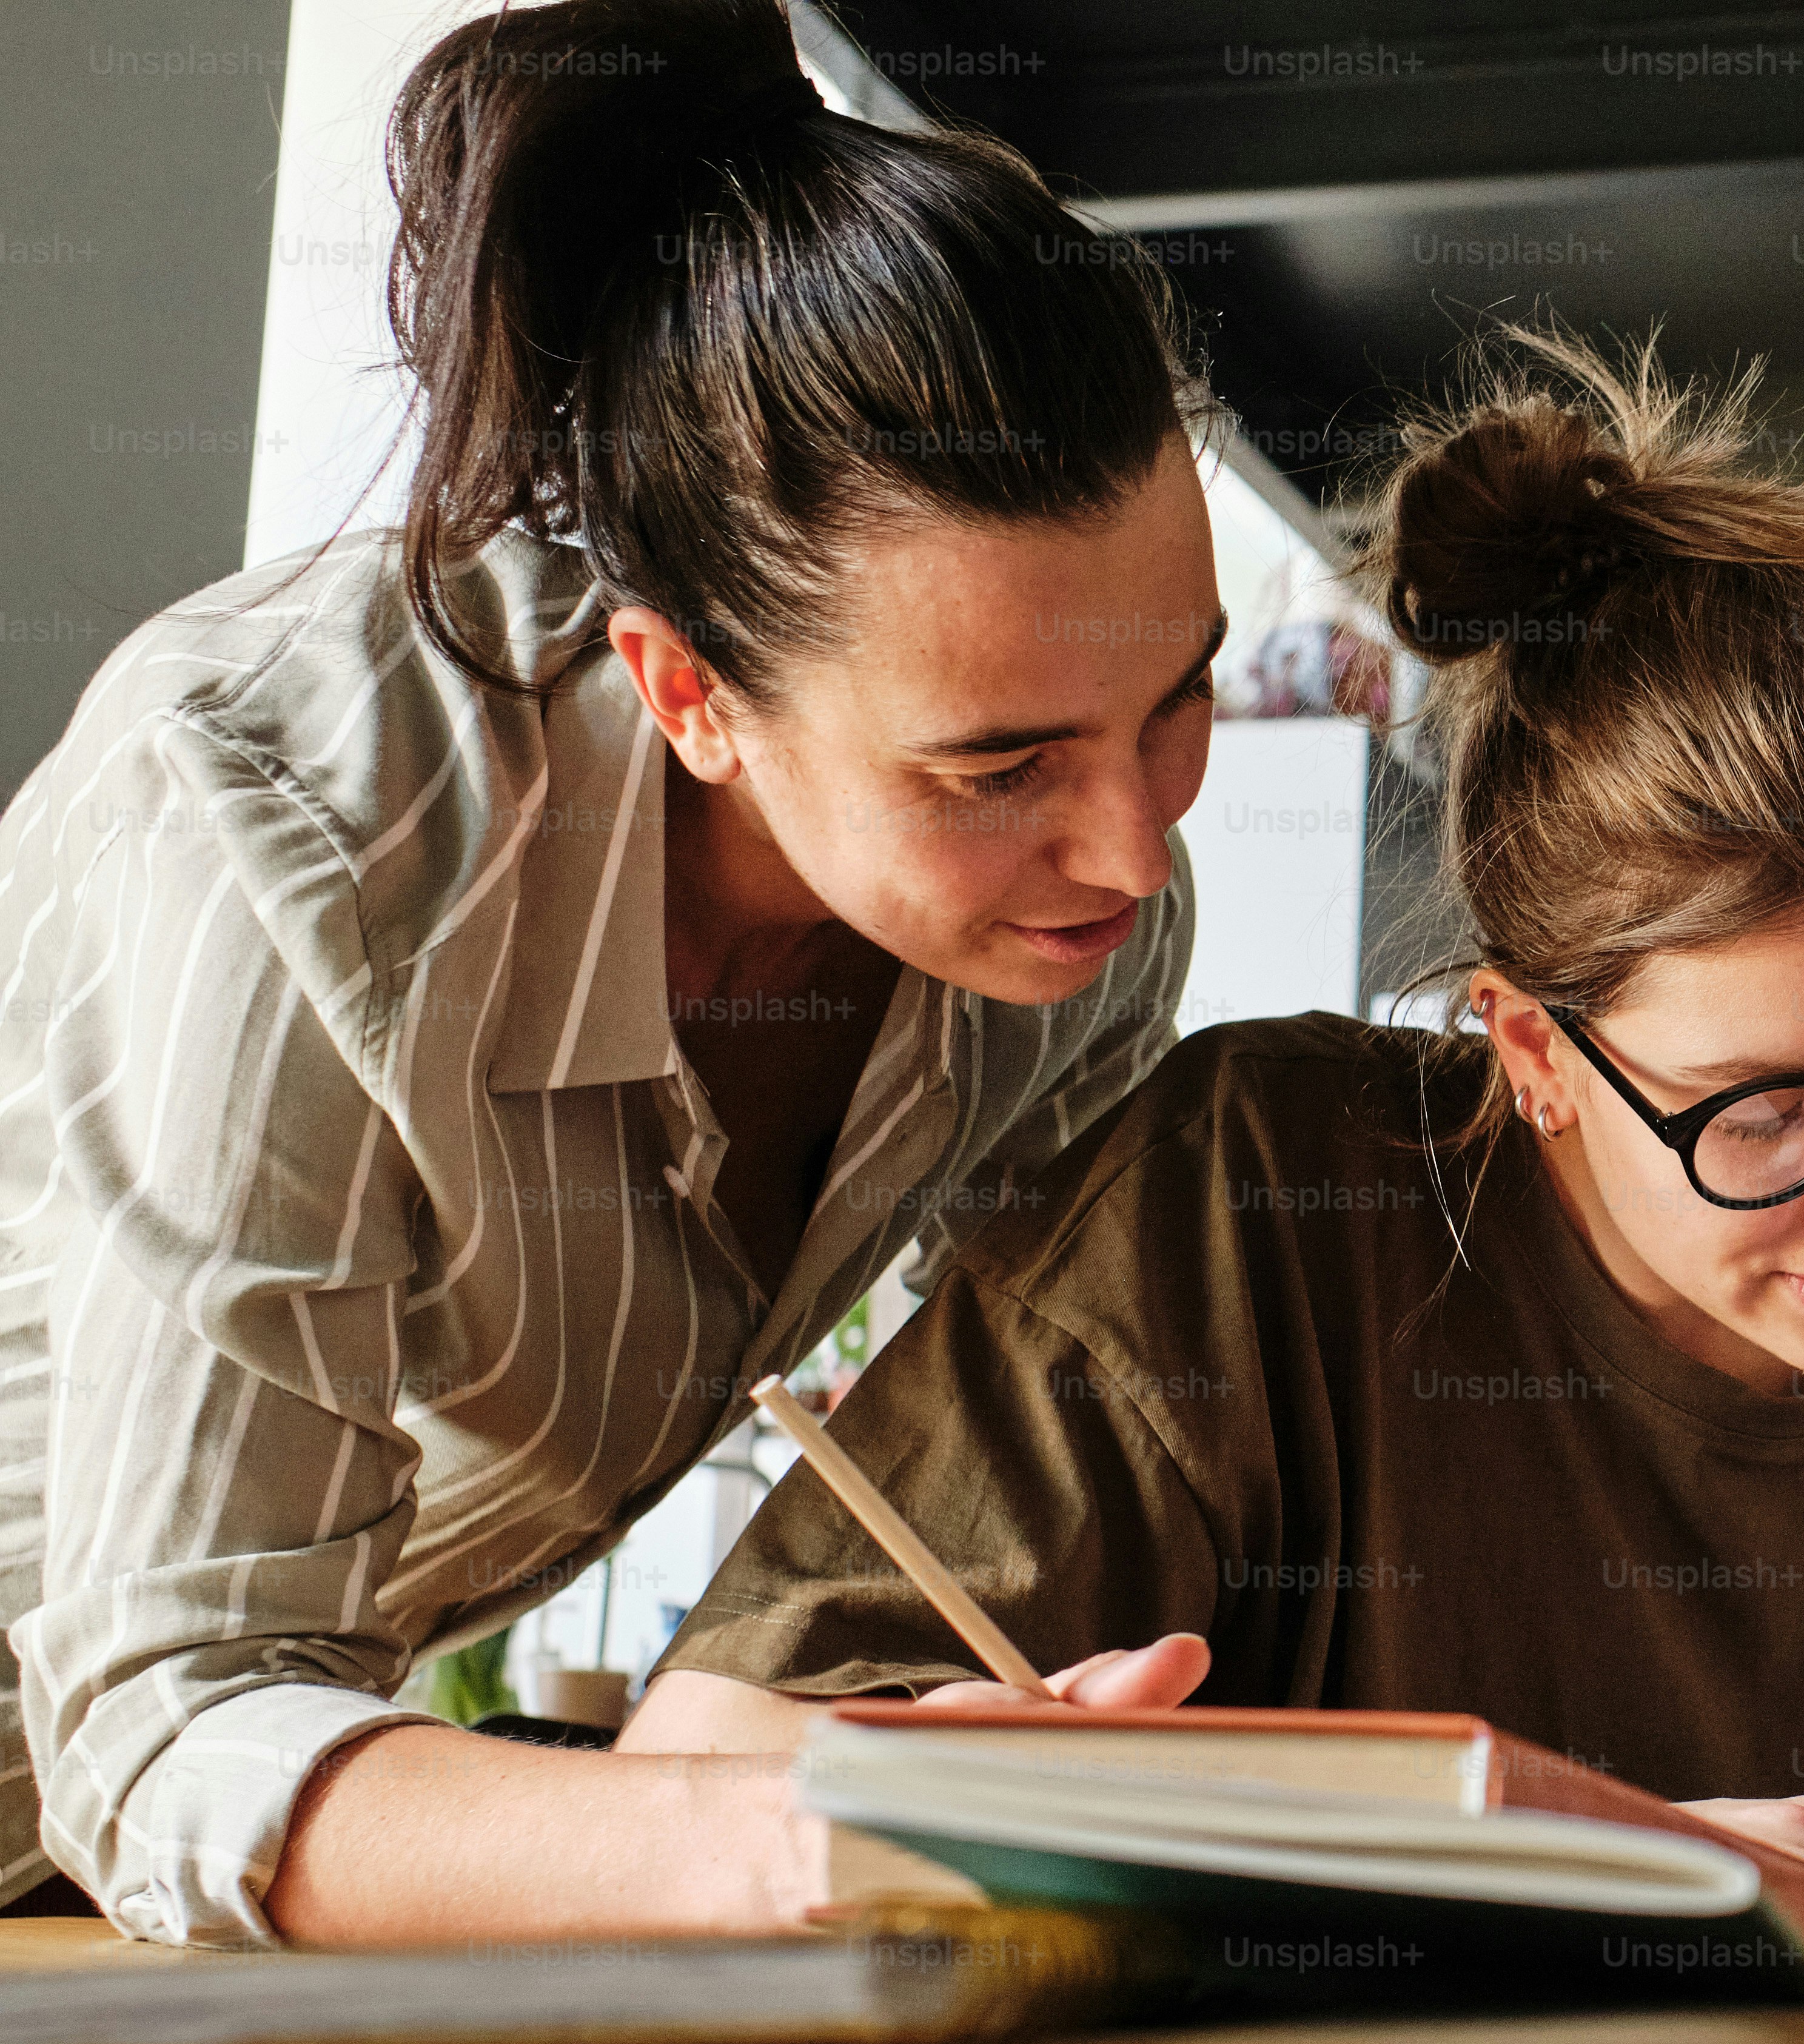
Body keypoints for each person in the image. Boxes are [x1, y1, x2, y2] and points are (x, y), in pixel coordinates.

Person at [626, 337, 1804, 1975]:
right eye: (1763, 1114)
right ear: (1535, 1049)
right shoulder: (1259, 1209)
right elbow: (696, 1767)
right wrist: (1606, 1863)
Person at [0, 0, 1222, 1944]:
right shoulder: (279, 810)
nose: (1134, 853)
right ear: (690, 693)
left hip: (116, 1915)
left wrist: (902, 1743)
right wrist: (790, 1844)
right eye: (999, 768)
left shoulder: (1067, 946)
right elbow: (168, 1730)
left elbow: (915, 1515)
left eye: (1179, 697)